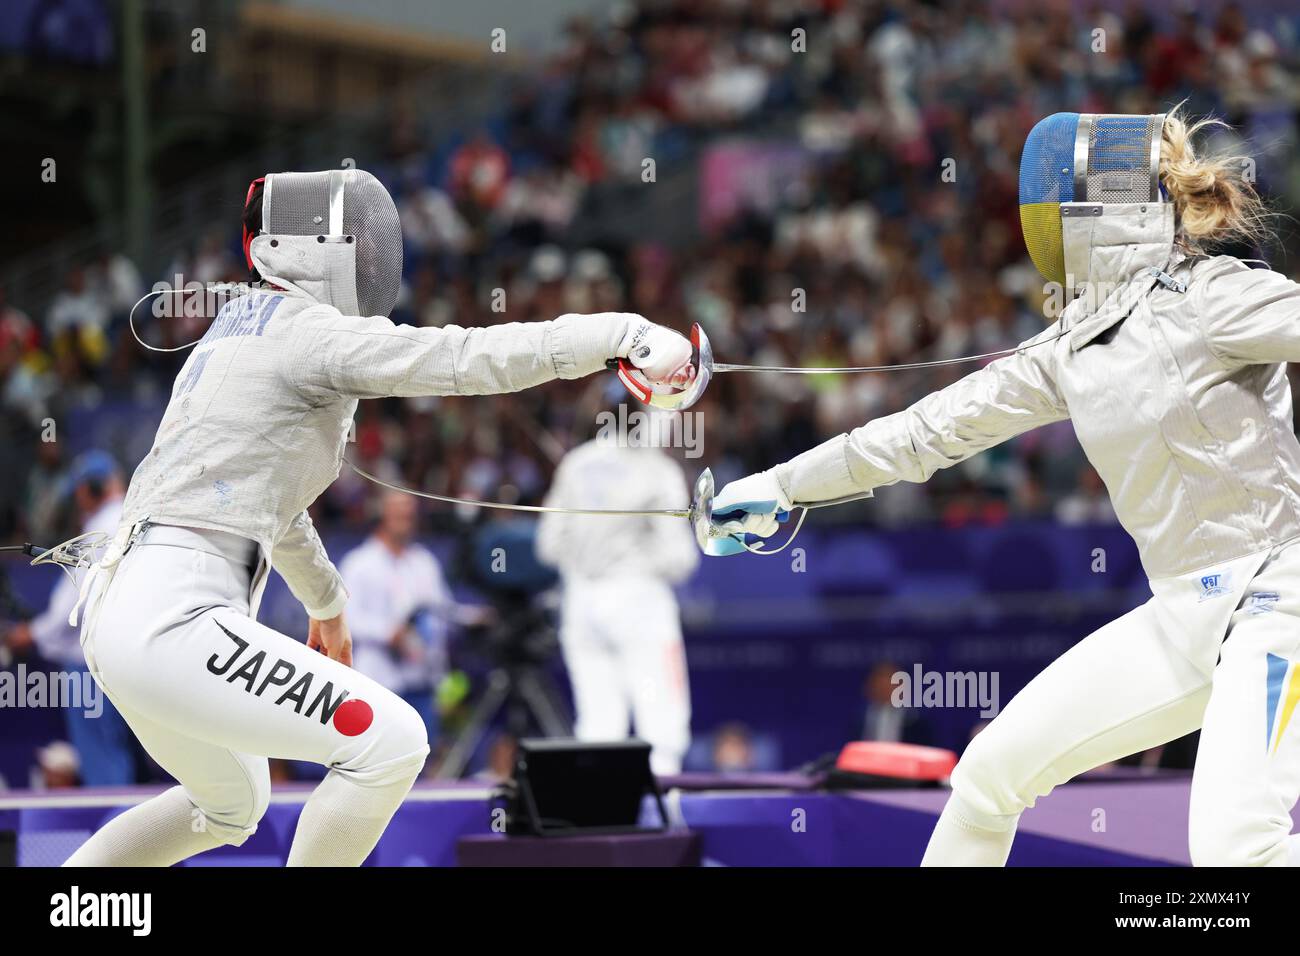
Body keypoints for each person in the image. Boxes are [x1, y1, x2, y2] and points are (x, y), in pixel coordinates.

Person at [712, 108, 1300, 866]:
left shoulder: (1214, 296)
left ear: (1095, 208)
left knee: (1236, 853)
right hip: (1184, 613)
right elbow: (923, 434)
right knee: (986, 779)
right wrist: (785, 484)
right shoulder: (1067, 349)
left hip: (1277, 601)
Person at [63, 168, 693, 867]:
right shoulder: (307, 334)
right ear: (310, 249)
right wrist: (621, 333)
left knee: (232, 804)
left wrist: (327, 604)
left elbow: (271, 505)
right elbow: (460, 357)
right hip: (171, 613)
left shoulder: (239, 329)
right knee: (391, 741)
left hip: (126, 612)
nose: (372, 267)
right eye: (358, 251)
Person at [536, 410, 699, 774]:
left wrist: (586, 564)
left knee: (598, 722)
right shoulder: (658, 471)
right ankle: (660, 815)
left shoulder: (577, 462)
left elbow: (548, 544)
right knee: (659, 719)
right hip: (638, 597)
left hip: (580, 602)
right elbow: (680, 559)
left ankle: (599, 818)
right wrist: (634, 562)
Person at [9, 451, 135, 785]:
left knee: (100, 757)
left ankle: (112, 831)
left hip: (91, 665)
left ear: (90, 488)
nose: (78, 501)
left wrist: (31, 634)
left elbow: (72, 605)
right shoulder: (134, 519)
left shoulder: (100, 529)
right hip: (131, 659)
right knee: (120, 752)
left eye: (80, 491)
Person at [339, 490, 453, 755]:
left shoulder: (424, 562)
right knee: (381, 755)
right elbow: (347, 619)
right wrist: (388, 632)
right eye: (399, 512)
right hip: (380, 680)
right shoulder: (360, 563)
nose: (406, 518)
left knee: (423, 753)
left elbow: (442, 610)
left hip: (421, 678)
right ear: (383, 514)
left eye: (410, 513)